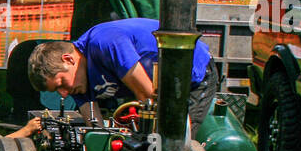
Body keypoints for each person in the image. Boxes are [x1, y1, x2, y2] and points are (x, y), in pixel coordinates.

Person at [28, 17, 218, 135]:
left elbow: (147, 96)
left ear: (69, 59)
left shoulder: (105, 42)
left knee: (172, 148)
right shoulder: (78, 83)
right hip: (157, 89)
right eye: (57, 90)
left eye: (61, 83)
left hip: (193, 77)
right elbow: (96, 130)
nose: (63, 93)